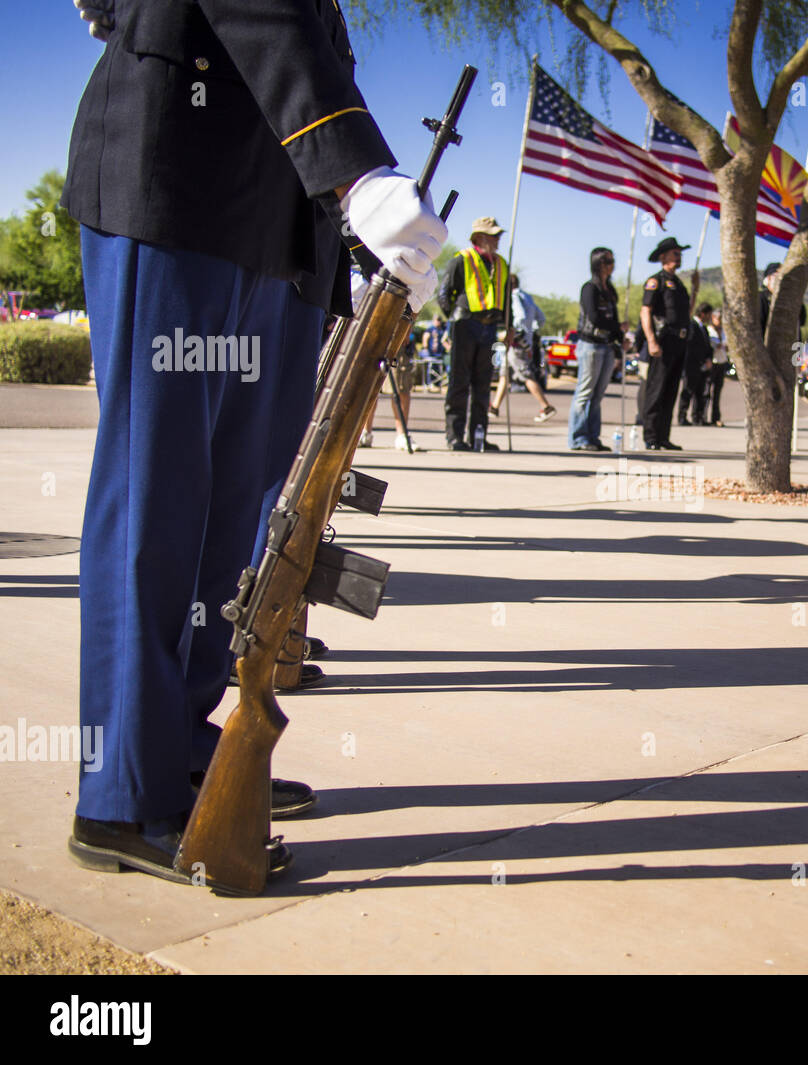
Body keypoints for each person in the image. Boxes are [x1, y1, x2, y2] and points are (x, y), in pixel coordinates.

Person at [62, 0, 445, 884]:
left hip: (279, 225)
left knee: (241, 505)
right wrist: (356, 173)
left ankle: (181, 742)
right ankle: (124, 791)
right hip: (178, 181)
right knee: (156, 492)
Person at [439, 216, 509, 451]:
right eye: (493, 236)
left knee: (482, 384)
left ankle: (479, 435)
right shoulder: (462, 260)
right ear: (479, 237)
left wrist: (508, 327)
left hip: (490, 328)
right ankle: (455, 436)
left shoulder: (500, 263)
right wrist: (453, 321)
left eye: (498, 236)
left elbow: (506, 298)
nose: (498, 240)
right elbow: (444, 293)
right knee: (459, 382)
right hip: (465, 324)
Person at [639, 236, 694, 450]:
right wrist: (651, 340)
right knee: (656, 389)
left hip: (679, 341)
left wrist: (695, 290)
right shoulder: (656, 281)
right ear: (663, 256)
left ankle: (663, 436)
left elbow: (685, 313)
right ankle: (651, 437)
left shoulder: (679, 284)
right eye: (675, 253)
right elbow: (646, 311)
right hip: (663, 340)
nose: (679, 257)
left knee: (671, 390)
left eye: (680, 253)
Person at [569, 246, 621, 451]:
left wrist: (619, 337)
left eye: (612, 260)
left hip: (606, 345)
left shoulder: (610, 290)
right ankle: (579, 437)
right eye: (608, 261)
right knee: (585, 392)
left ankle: (593, 436)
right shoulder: (590, 288)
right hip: (590, 344)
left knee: (598, 395)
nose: (611, 265)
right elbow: (594, 317)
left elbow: (613, 319)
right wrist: (616, 327)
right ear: (598, 263)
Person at [491, 274, 555, 423]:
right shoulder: (528, 298)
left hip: (516, 343)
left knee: (526, 375)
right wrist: (530, 332)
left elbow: (519, 316)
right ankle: (494, 407)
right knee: (504, 374)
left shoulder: (513, 297)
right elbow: (541, 318)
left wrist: (516, 331)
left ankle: (546, 406)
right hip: (520, 342)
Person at [679, 302, 715, 426]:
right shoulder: (692, 326)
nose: (710, 317)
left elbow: (707, 346)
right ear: (703, 313)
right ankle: (682, 416)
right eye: (709, 314)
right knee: (688, 391)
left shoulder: (703, 328)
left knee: (700, 393)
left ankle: (698, 417)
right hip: (692, 365)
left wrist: (708, 359)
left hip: (703, 366)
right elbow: (691, 347)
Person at [706, 307, 729, 427]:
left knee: (718, 392)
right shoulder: (709, 330)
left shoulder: (724, 331)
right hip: (713, 362)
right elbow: (708, 346)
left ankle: (716, 417)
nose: (719, 321)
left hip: (722, 362)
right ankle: (703, 416)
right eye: (718, 318)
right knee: (707, 391)